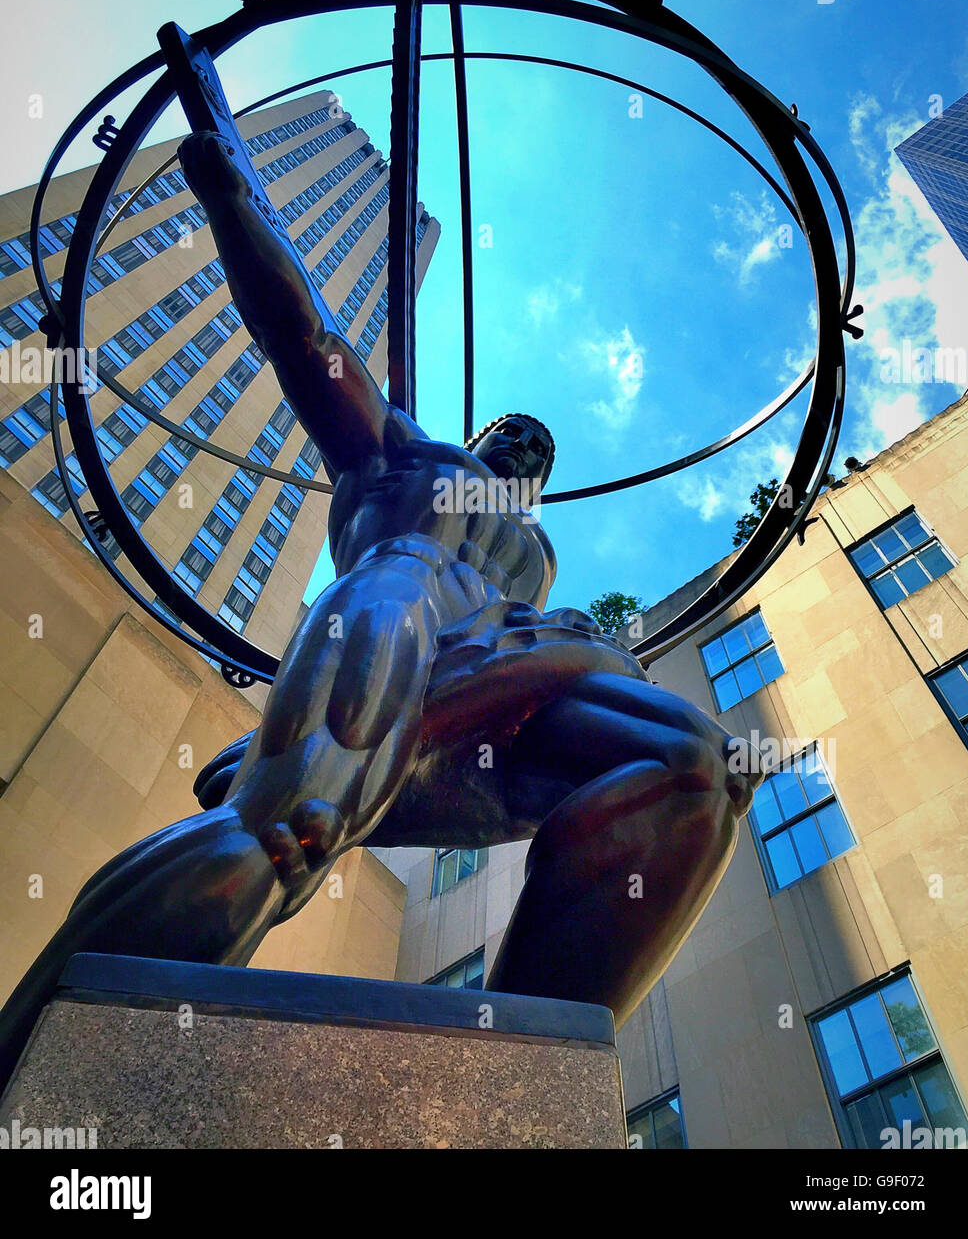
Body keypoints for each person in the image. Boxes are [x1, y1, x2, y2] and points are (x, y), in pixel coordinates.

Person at [0, 131, 761, 1091]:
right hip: (396, 622)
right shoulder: (404, 453)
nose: (522, 442)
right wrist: (230, 190)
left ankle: (503, 1092)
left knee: (694, 766)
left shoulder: (533, 561)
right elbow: (304, 339)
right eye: (509, 429)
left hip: (516, 681)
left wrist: (582, 648)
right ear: (476, 433)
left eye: (538, 447)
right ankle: (31, 1076)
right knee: (281, 838)